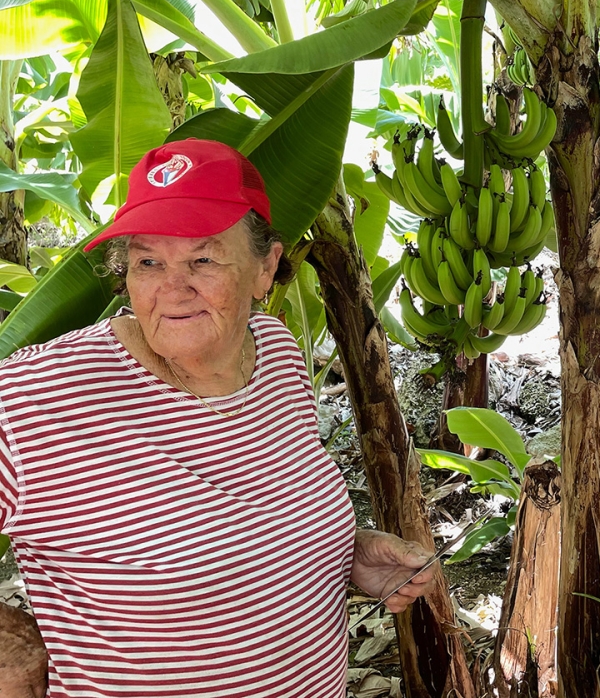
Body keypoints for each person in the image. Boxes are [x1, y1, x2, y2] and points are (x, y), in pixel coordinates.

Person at [0, 139, 436, 698]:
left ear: (265, 268)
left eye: (202, 260)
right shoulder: (37, 397)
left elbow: (251, 518)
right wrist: (16, 645)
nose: (172, 288)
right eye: (148, 262)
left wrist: (348, 553)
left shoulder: (274, 352)